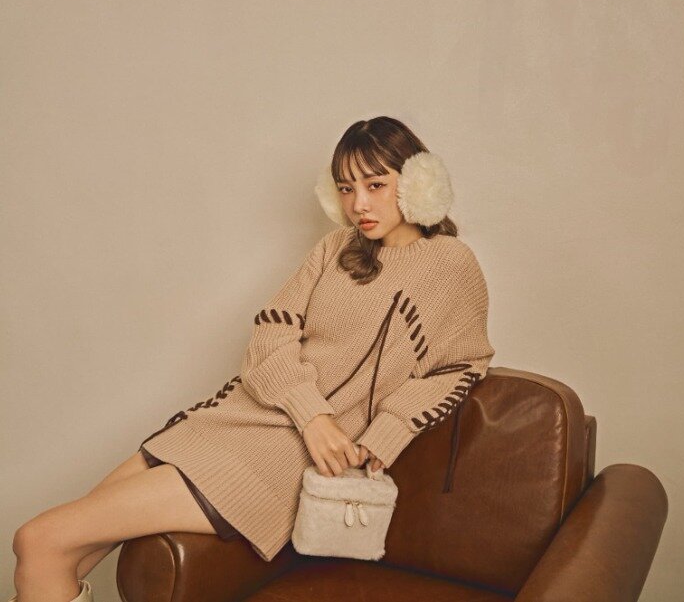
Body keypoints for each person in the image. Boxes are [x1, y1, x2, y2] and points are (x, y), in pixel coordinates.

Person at [9, 116, 495, 601]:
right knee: (47, 552)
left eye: (375, 185)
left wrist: (386, 431)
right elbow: (271, 333)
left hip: (278, 460)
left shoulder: (450, 265)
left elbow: (462, 366)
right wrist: (313, 413)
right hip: (235, 419)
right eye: (346, 189)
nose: (358, 205)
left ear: (417, 182)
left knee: (39, 538)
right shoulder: (337, 246)